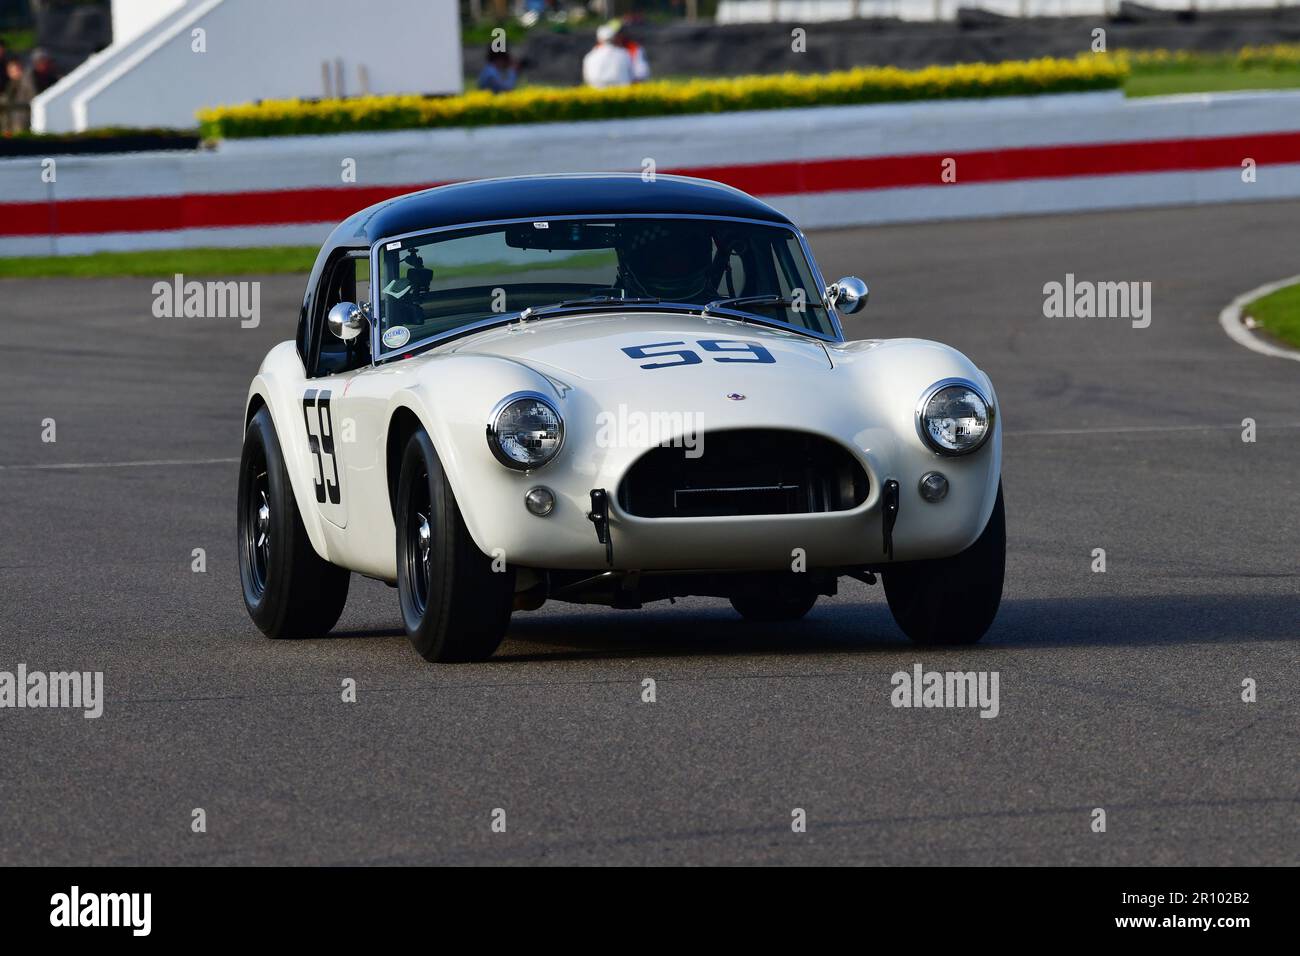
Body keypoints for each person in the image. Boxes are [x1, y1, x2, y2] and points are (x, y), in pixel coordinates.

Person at [582, 22, 632, 89]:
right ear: (614, 37)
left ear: (599, 39)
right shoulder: (624, 54)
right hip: (621, 94)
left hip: (597, 95)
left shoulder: (590, 56)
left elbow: (587, 79)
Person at [2, 57, 34, 133]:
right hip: (11, 123)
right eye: (10, 71)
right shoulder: (11, 84)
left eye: (14, 70)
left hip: (22, 122)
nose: (12, 73)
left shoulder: (27, 82)